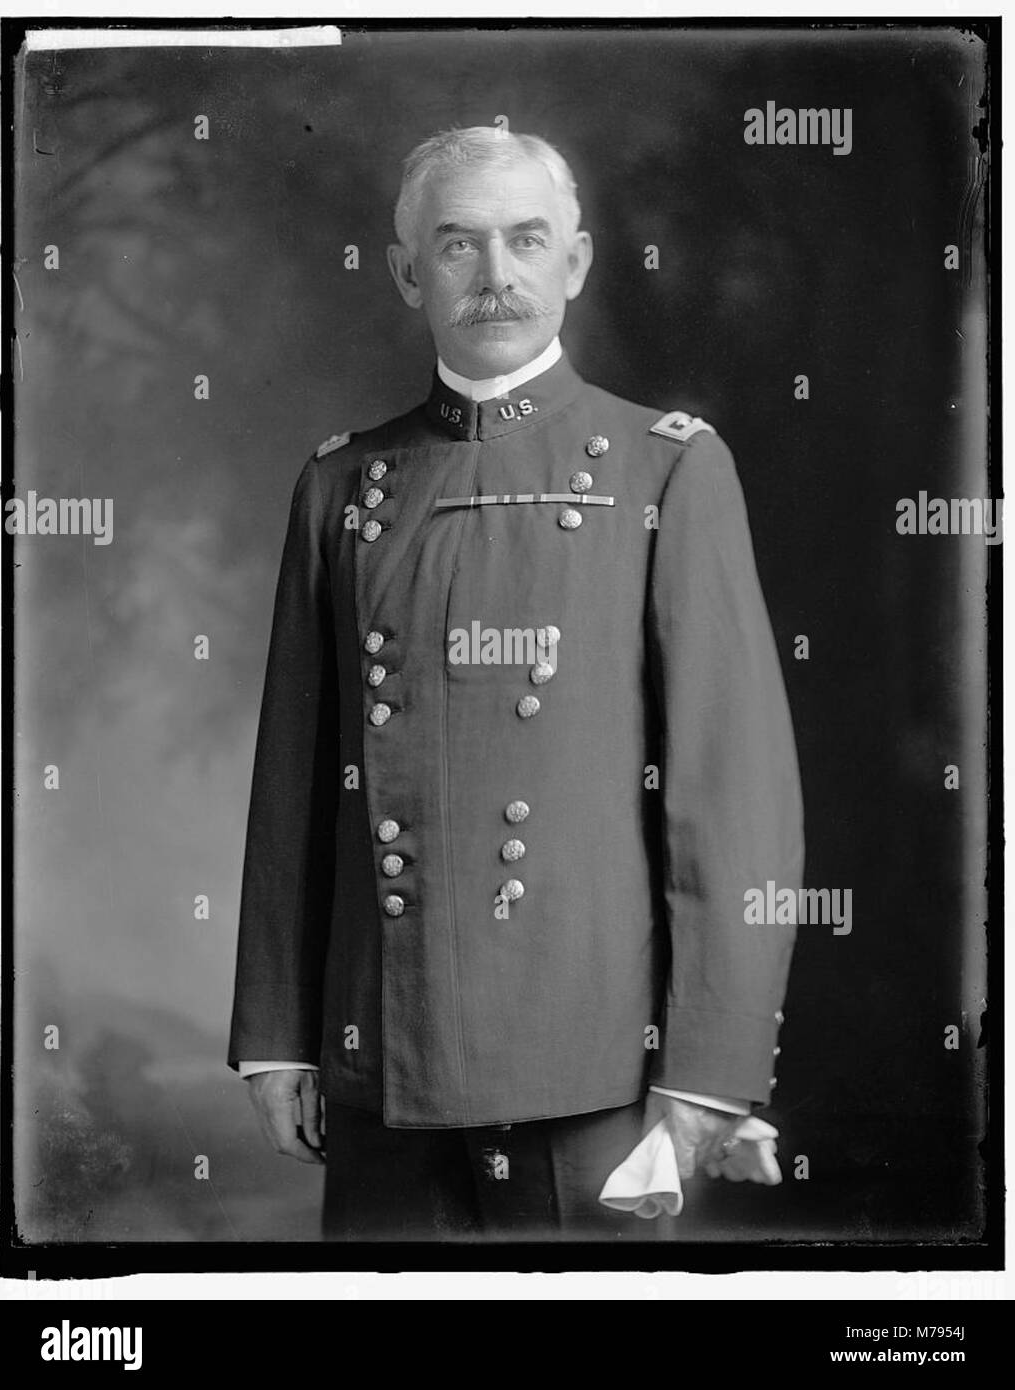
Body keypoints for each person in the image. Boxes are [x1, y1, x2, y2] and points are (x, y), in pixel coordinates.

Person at [228, 126, 804, 1241]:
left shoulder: (667, 467)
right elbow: (292, 789)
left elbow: (732, 800)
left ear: (576, 264)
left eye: (525, 241)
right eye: (458, 246)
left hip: (595, 1069)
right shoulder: (342, 481)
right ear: (407, 274)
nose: (495, 276)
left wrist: (706, 1076)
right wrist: (279, 1033)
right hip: (378, 1056)